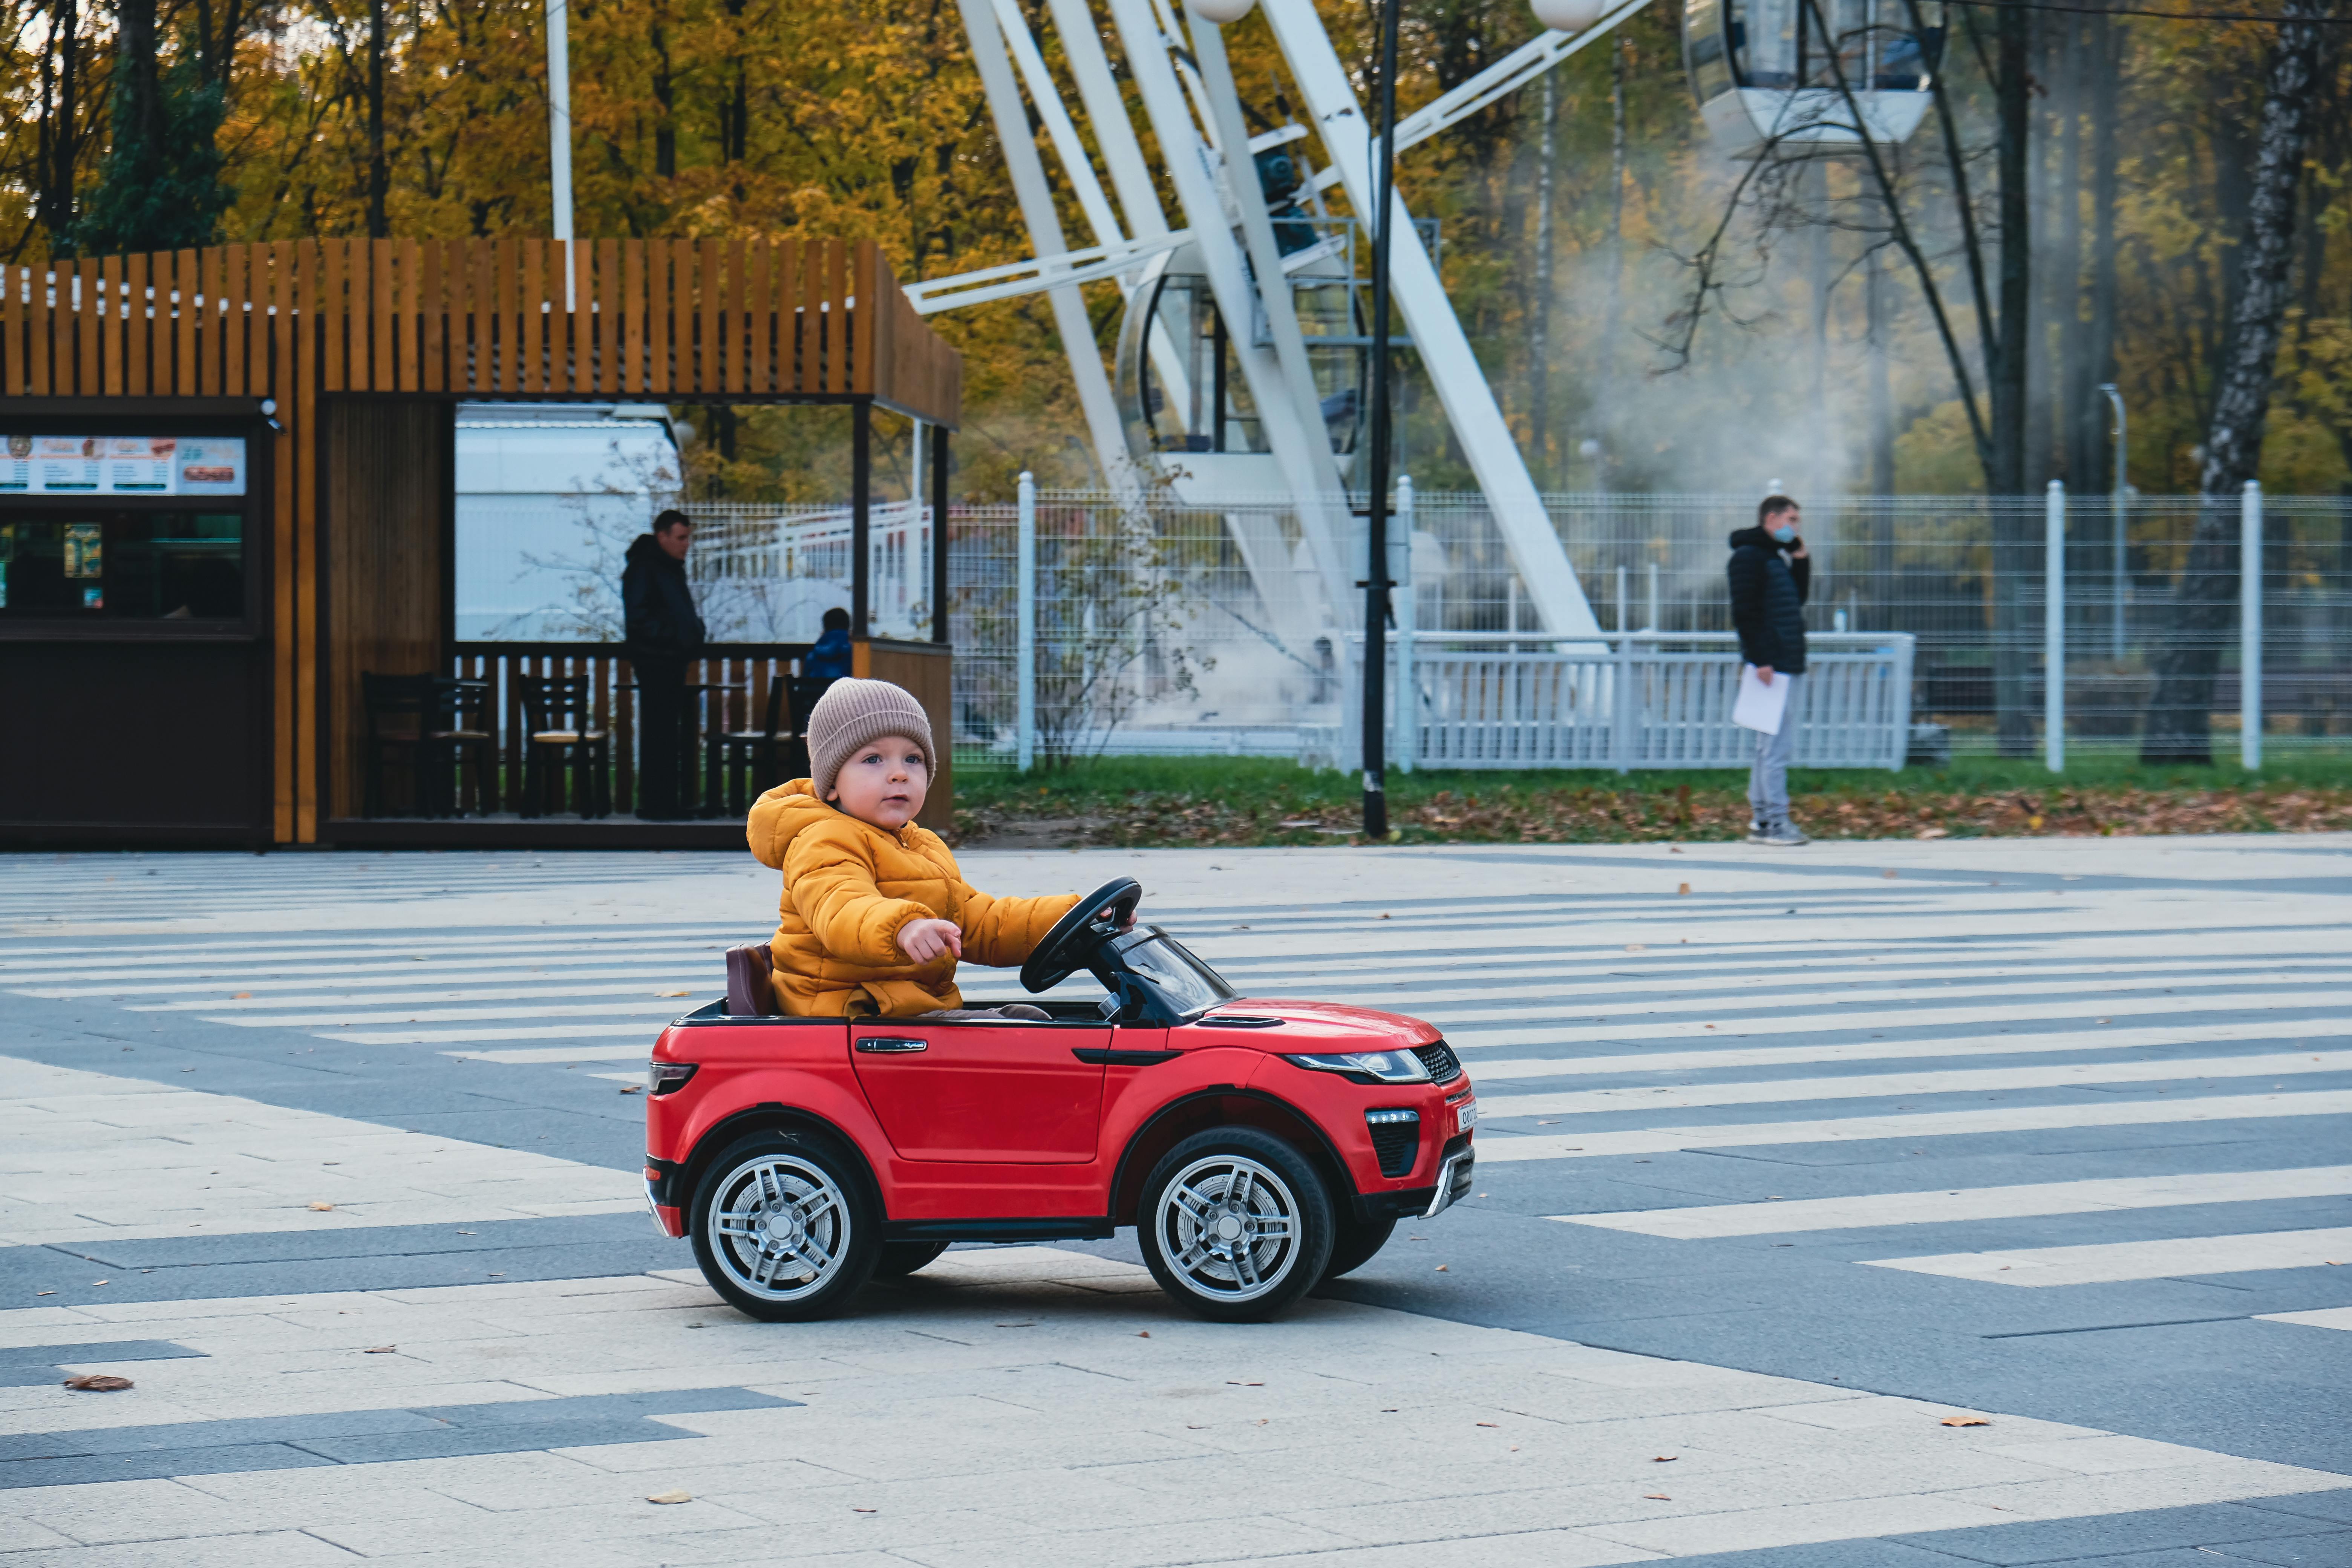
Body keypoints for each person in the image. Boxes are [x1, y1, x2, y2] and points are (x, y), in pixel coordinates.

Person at [747, 677, 1081, 1018]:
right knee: (1017, 1041)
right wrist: (903, 928)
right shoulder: (824, 840)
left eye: (913, 759)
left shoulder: (922, 845)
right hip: (854, 1013)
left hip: (906, 1008)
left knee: (1032, 1024)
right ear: (831, 784)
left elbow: (977, 924)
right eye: (874, 759)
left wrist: (1069, 917)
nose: (899, 774)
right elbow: (842, 909)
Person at [1728, 494, 1811, 847]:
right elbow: (1744, 613)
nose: (1795, 526)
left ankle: (1763, 821)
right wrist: (1760, 658)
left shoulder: (1772, 557)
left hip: (1781, 659)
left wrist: (1801, 559)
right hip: (1771, 662)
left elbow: (1797, 599)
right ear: (1772, 519)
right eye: (1792, 519)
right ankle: (1775, 822)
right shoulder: (1750, 558)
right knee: (1776, 747)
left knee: (1768, 746)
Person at [623, 510, 706, 820]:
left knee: (668, 733)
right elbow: (639, 618)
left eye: (688, 538)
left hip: (669, 660)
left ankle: (666, 802)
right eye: (681, 538)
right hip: (656, 660)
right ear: (663, 537)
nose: (686, 545)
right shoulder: (645, 568)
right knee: (660, 733)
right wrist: (678, 637)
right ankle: (657, 804)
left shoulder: (668, 568)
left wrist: (692, 632)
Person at [804, 605, 853, 679]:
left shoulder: (812, 656)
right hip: (843, 690)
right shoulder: (855, 655)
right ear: (848, 627)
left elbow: (805, 681)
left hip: (816, 690)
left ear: (825, 628)